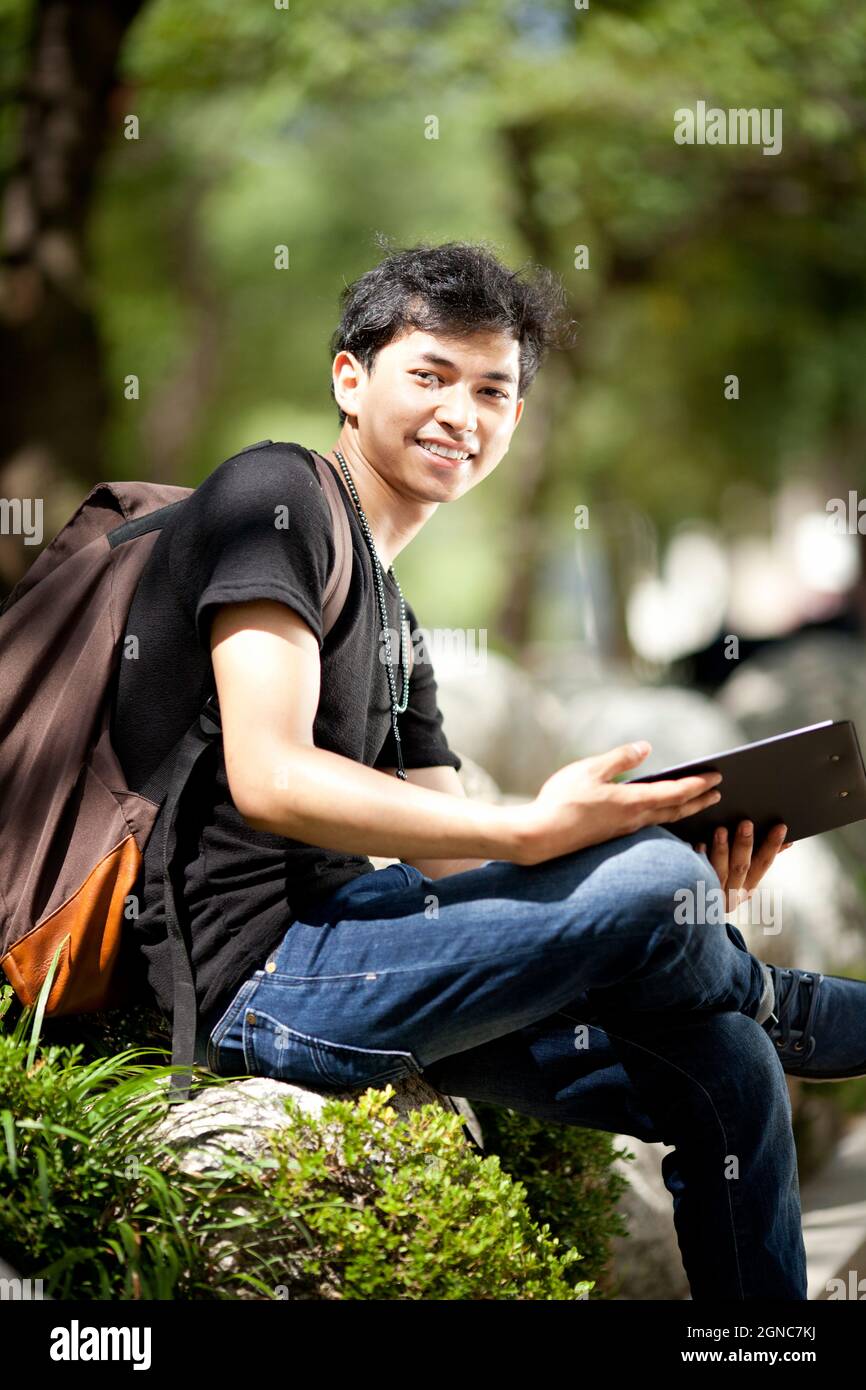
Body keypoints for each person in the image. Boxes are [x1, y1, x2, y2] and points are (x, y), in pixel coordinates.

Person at [112, 239, 866, 1302]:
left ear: (514, 419)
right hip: (255, 985)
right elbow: (270, 773)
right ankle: (781, 999)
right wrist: (554, 840)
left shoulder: (397, 625)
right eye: (427, 376)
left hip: (370, 949)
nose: (458, 413)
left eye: (491, 390)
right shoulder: (273, 498)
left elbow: (448, 866)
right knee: (657, 888)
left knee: (723, 1060)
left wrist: (661, 897)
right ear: (349, 376)